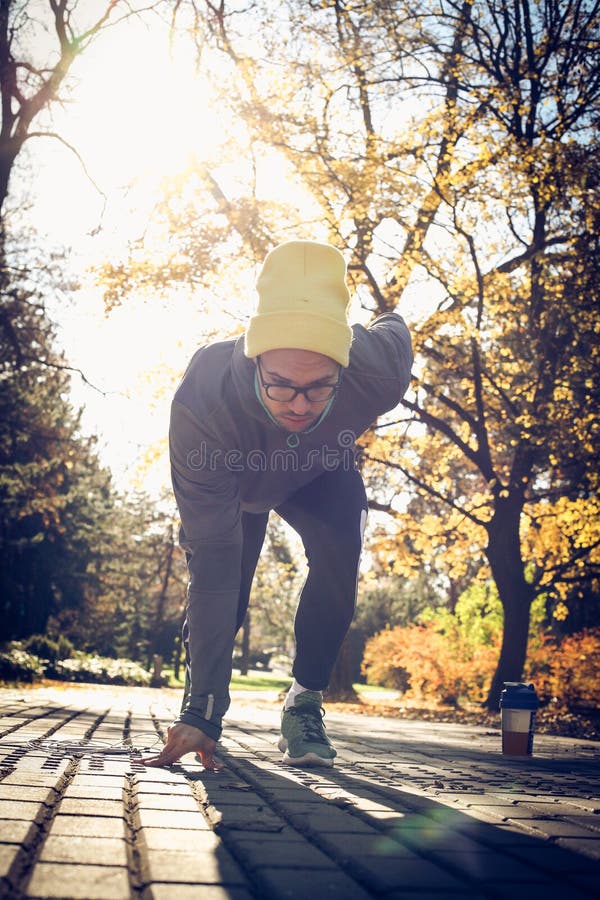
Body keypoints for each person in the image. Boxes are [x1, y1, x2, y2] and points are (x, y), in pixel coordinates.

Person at [142, 240, 412, 769]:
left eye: (318, 387)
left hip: (320, 468)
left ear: (344, 366)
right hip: (237, 476)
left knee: (340, 555)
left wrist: (383, 315)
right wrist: (202, 713)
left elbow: (395, 326)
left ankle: (304, 705)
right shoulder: (204, 405)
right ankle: (203, 705)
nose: (299, 404)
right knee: (227, 584)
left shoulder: (378, 373)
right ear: (254, 357)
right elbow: (213, 567)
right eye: (281, 385)